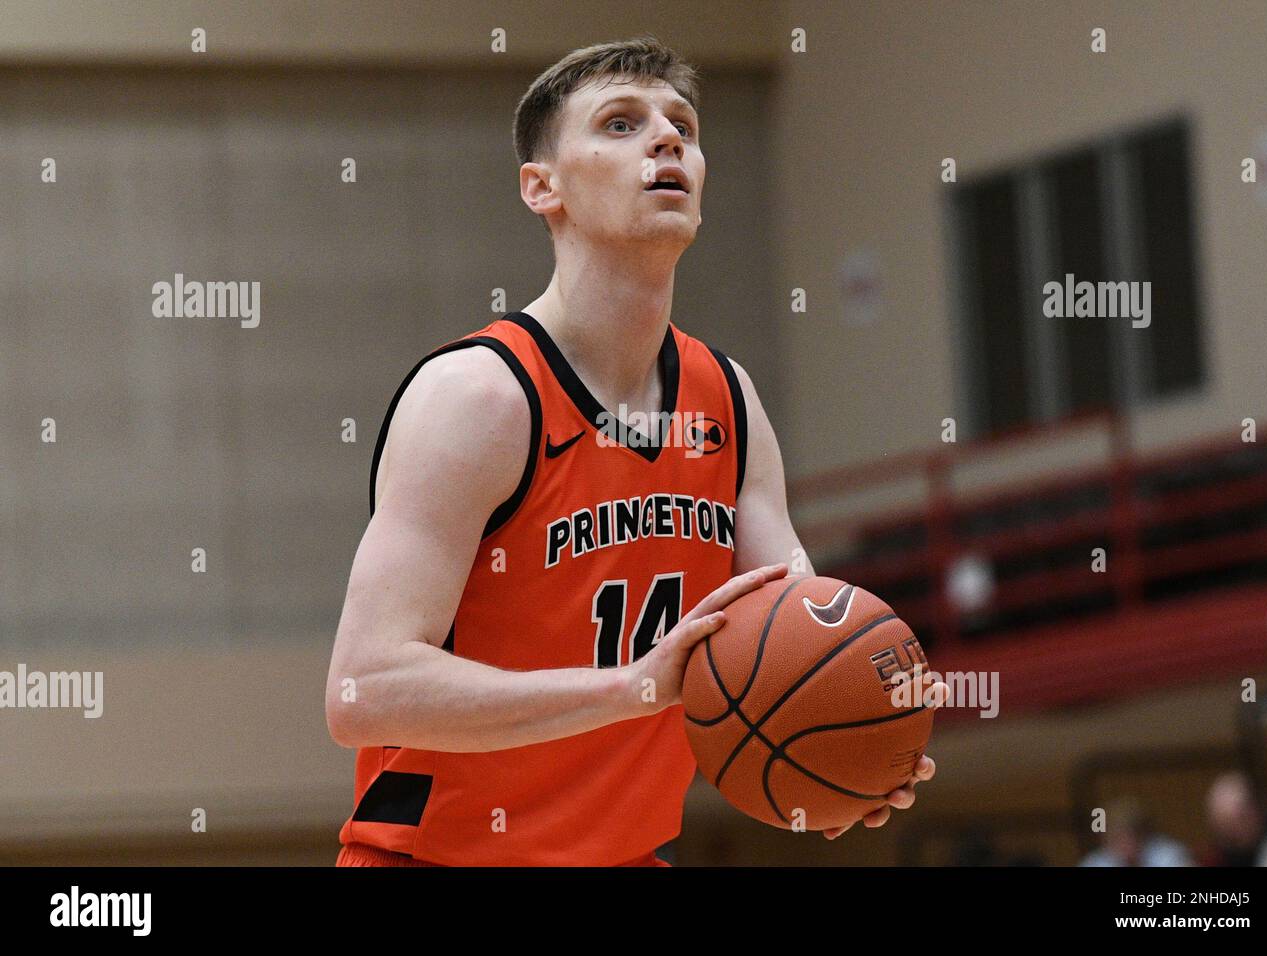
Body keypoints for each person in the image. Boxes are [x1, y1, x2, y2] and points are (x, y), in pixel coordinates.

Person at [325, 36, 943, 866]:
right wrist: (627, 691)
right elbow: (362, 691)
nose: (666, 141)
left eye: (682, 126)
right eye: (620, 124)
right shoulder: (480, 398)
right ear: (541, 187)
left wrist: (854, 729)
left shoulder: (727, 398)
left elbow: (790, 626)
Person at [1202, 771, 1267, 867]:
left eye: (1232, 824)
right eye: (1222, 827)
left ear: (1253, 812)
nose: (1230, 836)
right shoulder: (1220, 855)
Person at [1078, 797, 1192, 866]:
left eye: (1129, 837)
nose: (1124, 844)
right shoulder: (1096, 863)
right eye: (1117, 838)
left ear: (1145, 835)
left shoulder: (1169, 856)